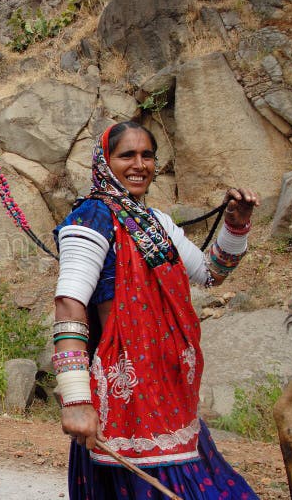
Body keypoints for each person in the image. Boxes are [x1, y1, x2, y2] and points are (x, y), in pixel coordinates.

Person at [52, 121, 261, 498]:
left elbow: (211, 274)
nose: (139, 165)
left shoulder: (155, 223)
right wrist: (76, 400)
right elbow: (69, 305)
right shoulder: (91, 218)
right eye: (127, 155)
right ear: (104, 161)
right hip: (127, 399)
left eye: (147, 155)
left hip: (171, 394)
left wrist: (236, 225)